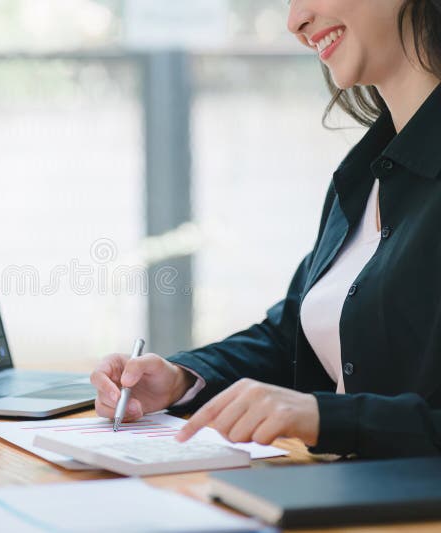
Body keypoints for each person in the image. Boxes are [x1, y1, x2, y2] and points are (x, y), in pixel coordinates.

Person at [91, 0, 441, 458]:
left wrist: (324, 417)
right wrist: (180, 378)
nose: (295, 22)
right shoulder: (364, 176)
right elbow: (292, 337)